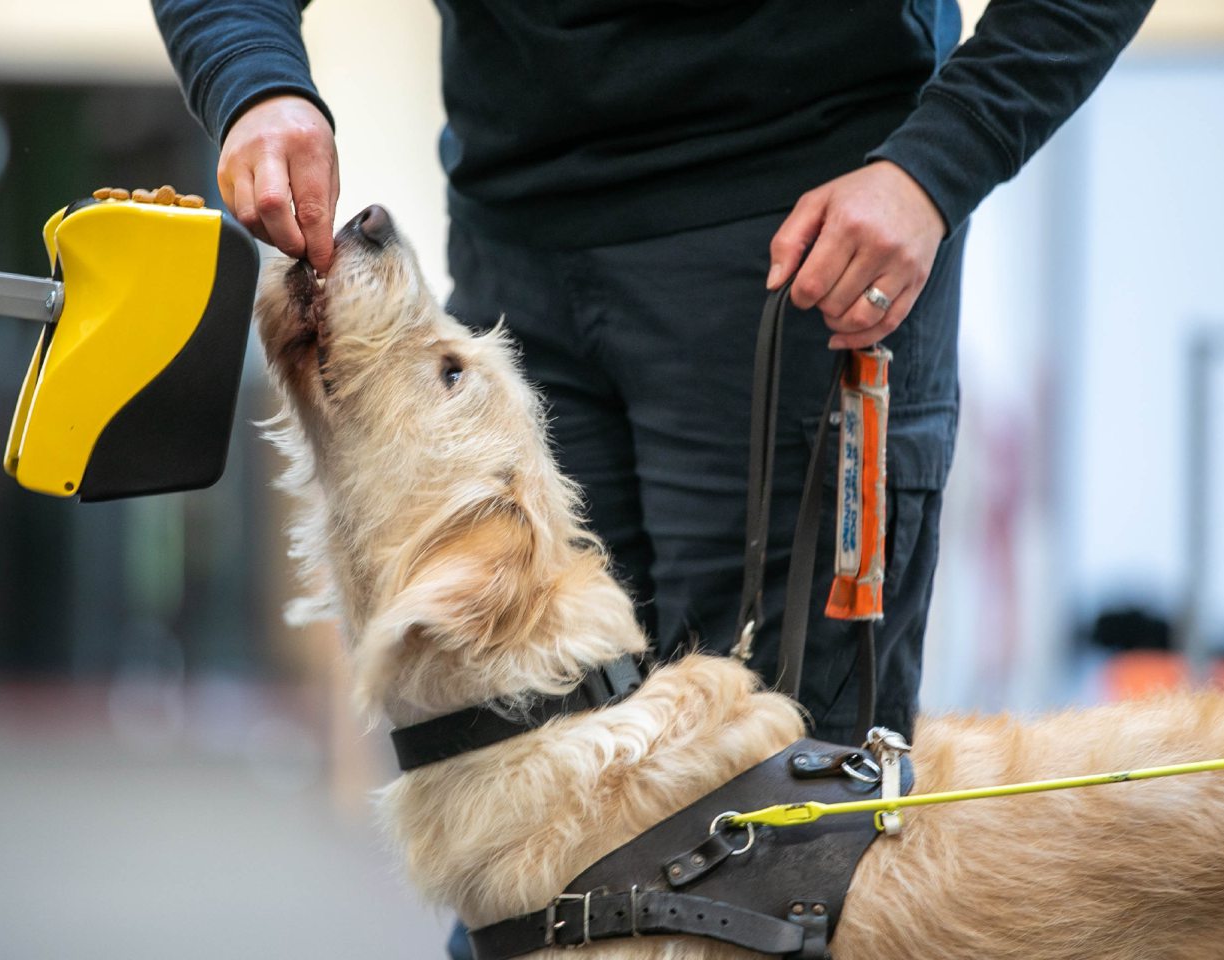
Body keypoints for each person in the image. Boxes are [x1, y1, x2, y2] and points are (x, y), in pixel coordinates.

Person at [152, 2, 1151, 942]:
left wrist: (940, 163)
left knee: (786, 873)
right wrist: (256, 79)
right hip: (517, 233)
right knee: (517, 876)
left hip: (804, 238)